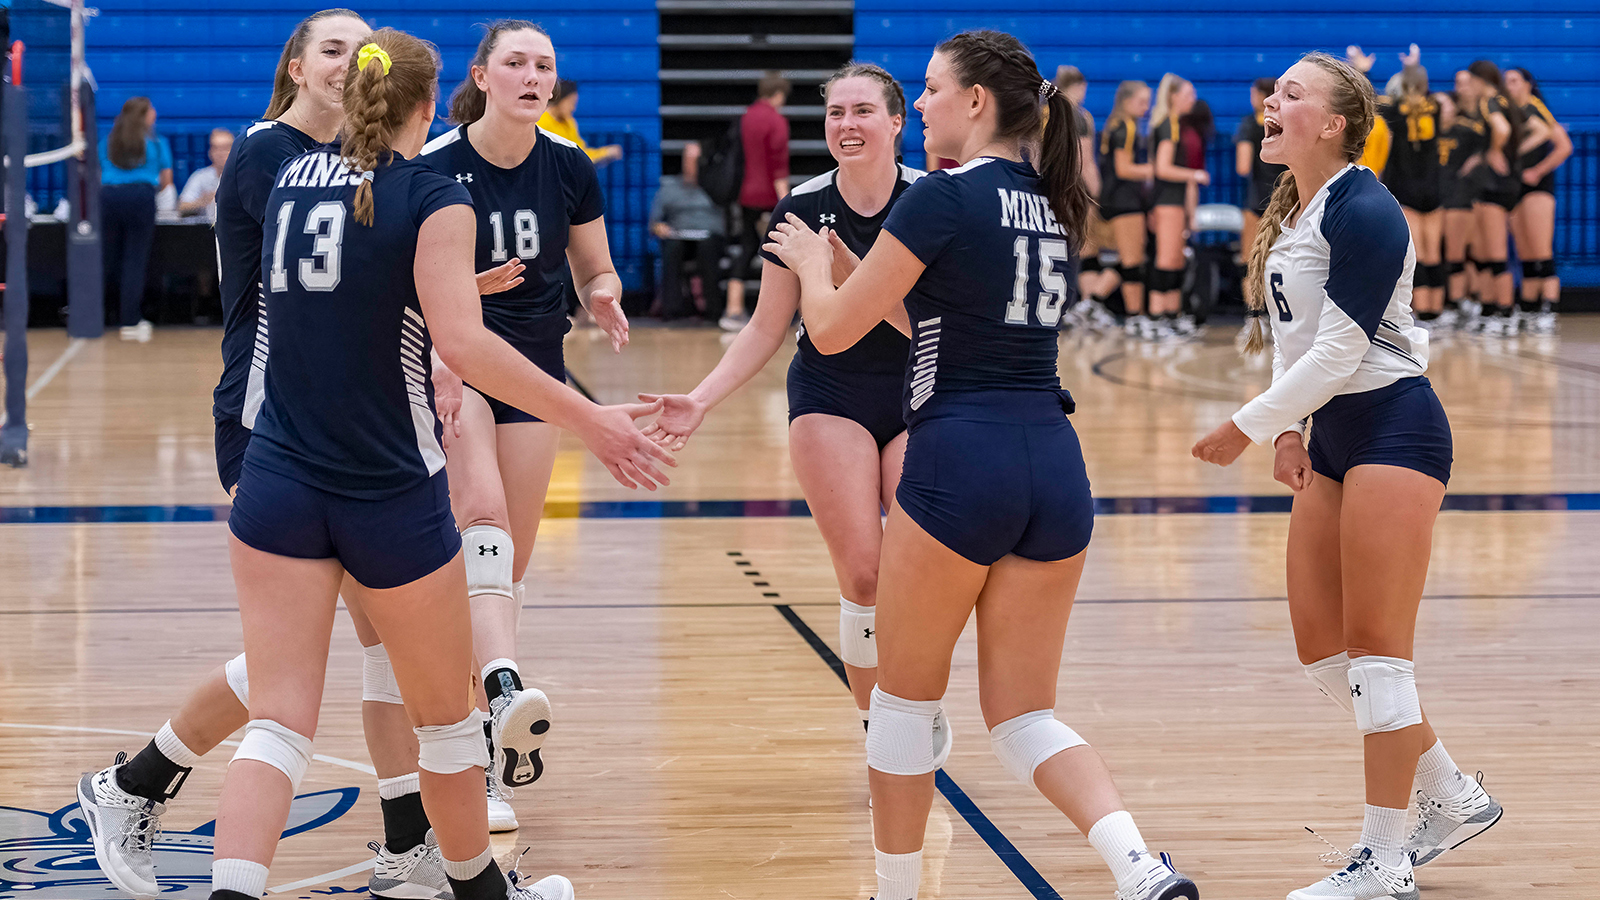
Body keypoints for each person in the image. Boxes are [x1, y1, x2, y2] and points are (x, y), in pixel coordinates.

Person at [210, 27, 671, 900]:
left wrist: (446, 287)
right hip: (386, 485)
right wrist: (592, 420)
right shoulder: (433, 194)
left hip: (276, 476)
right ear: (434, 106)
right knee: (449, 723)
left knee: (276, 726)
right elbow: (463, 344)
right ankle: (483, 892)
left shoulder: (286, 179)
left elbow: (337, 293)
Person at [764, 30, 1198, 900]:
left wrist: (817, 266)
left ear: (975, 103)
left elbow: (833, 330)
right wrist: (858, 276)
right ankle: (1138, 868)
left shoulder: (942, 198)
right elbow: (942, 323)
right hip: (1055, 464)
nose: (918, 105)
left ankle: (895, 891)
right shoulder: (1049, 196)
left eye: (928, 91)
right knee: (1024, 714)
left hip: (962, 458)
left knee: (902, 704)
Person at [76, 12, 470, 900]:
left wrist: (448, 298)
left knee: (368, 647)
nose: (347, 61)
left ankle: (405, 840)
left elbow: (362, 278)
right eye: (330, 47)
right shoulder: (272, 159)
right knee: (321, 657)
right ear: (296, 65)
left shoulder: (347, 171)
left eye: (357, 49)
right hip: (272, 420)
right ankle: (134, 781)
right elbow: (314, 291)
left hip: (327, 417)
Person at [1191, 51, 1501, 900]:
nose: (1270, 100)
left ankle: (1386, 858)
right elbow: (1300, 343)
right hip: (1330, 434)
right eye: (1273, 90)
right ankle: (1455, 795)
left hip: (1395, 426)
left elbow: (1345, 347)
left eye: (1291, 94)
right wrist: (1291, 431)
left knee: (1378, 657)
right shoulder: (1299, 209)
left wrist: (1246, 427)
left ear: (1332, 123)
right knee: (1323, 649)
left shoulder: (1368, 207)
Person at [643, 61, 919, 730]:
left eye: (862, 112)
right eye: (836, 113)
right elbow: (769, 324)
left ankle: (917, 701)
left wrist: (853, 279)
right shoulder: (801, 206)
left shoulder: (931, 200)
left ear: (896, 121)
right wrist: (701, 398)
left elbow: (933, 327)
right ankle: (879, 728)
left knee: (916, 581)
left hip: (921, 396)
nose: (847, 125)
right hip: (831, 394)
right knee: (862, 576)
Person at [419, 18, 638, 834]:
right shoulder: (437, 164)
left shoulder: (569, 165)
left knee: (505, 572)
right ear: (481, 75)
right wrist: (463, 287)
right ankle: (489, 720)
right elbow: (402, 279)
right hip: (459, 362)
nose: (533, 75)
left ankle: (484, 722)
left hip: (539, 371)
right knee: (481, 520)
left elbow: (593, 263)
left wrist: (606, 291)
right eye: (515, 62)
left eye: (544, 64)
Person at [100, 96, 173, 342]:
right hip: (141, 197)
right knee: (135, 260)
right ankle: (129, 321)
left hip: (108, 198)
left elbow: (97, 173)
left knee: (107, 258)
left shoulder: (107, 142)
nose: (155, 113)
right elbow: (165, 182)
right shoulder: (156, 142)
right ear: (143, 115)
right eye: (151, 109)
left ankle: (98, 316)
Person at [1504, 67, 1570, 332]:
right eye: (1506, 81)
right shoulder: (1511, 113)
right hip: (1515, 188)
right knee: (1525, 252)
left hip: (1537, 188)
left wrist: (1538, 171)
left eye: (1514, 81)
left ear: (1528, 84)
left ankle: (1549, 309)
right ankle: (1530, 308)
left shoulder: (1535, 107)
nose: (1509, 86)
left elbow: (1564, 145)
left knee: (1541, 250)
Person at [1378, 65, 1444, 324]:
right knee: (1433, 253)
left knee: (1416, 255)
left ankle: (1422, 316)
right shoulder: (1436, 108)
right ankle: (1436, 314)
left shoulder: (1393, 113)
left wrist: (1363, 70)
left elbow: (1365, 99)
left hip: (1406, 189)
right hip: (1433, 188)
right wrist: (1415, 67)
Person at [1463, 59, 1524, 336]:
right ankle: (1491, 310)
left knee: (1495, 253)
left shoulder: (1489, 101)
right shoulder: (1504, 100)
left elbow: (1502, 130)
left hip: (1495, 186)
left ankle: (1505, 312)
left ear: (1479, 80)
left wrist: (1494, 151)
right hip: (1504, 183)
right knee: (1488, 252)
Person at [1055, 65, 1117, 329]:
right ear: (1078, 86)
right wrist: (1100, 194)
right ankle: (1086, 305)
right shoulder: (1078, 116)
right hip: (1078, 191)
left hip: (1054, 189)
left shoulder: (1048, 112)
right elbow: (1084, 161)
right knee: (1090, 246)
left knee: (1079, 249)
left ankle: (1085, 307)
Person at [1148, 73, 1208, 338]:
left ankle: (1172, 316)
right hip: (1166, 201)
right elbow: (1162, 168)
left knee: (1174, 259)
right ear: (1173, 97)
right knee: (1165, 259)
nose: (1192, 100)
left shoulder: (1175, 124)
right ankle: (1156, 318)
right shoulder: (1168, 125)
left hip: (1175, 201)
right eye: (1187, 94)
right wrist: (1193, 174)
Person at [732, 70, 791, 330]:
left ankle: (732, 310)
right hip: (768, 196)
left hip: (745, 194)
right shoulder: (776, 121)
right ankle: (801, 312)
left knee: (746, 248)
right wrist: (786, 202)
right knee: (787, 251)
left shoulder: (746, 117)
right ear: (778, 94)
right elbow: (778, 166)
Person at [650, 141, 731, 321]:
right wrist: (658, 227)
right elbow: (654, 221)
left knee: (708, 250)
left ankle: (713, 310)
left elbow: (726, 221)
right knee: (672, 249)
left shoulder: (715, 187)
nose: (691, 164)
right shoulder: (669, 188)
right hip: (678, 235)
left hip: (709, 236)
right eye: (688, 159)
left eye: (695, 160)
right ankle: (672, 310)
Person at [1098, 80, 1153, 337]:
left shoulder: (1115, 124)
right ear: (1127, 101)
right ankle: (1134, 317)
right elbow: (1124, 168)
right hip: (1124, 201)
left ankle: (1093, 302)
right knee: (1133, 262)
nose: (1147, 107)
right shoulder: (1126, 127)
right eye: (1142, 101)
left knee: (1129, 258)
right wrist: (1155, 170)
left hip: (1116, 199)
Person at [1435, 89, 1478, 327]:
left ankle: (1458, 302)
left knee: (1456, 253)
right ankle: (1439, 305)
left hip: (1458, 197)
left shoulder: (1466, 131)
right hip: (1432, 197)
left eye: (1447, 105)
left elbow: (1487, 147)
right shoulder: (1424, 133)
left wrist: (1473, 164)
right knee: (1434, 253)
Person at [1236, 77, 1287, 261]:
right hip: (1286, 202)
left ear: (1262, 97)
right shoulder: (1287, 125)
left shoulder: (1249, 125)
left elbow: (1243, 167)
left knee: (1251, 264)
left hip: (1257, 200)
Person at [537, 79, 622, 165]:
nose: (573, 108)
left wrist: (605, 153)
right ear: (560, 100)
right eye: (571, 103)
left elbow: (580, 153)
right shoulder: (540, 123)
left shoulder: (569, 122)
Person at [177, 128, 234, 220]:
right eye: (216, 148)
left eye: (225, 148)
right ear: (210, 152)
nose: (220, 153)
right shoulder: (200, 176)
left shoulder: (245, 177)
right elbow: (182, 207)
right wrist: (203, 201)